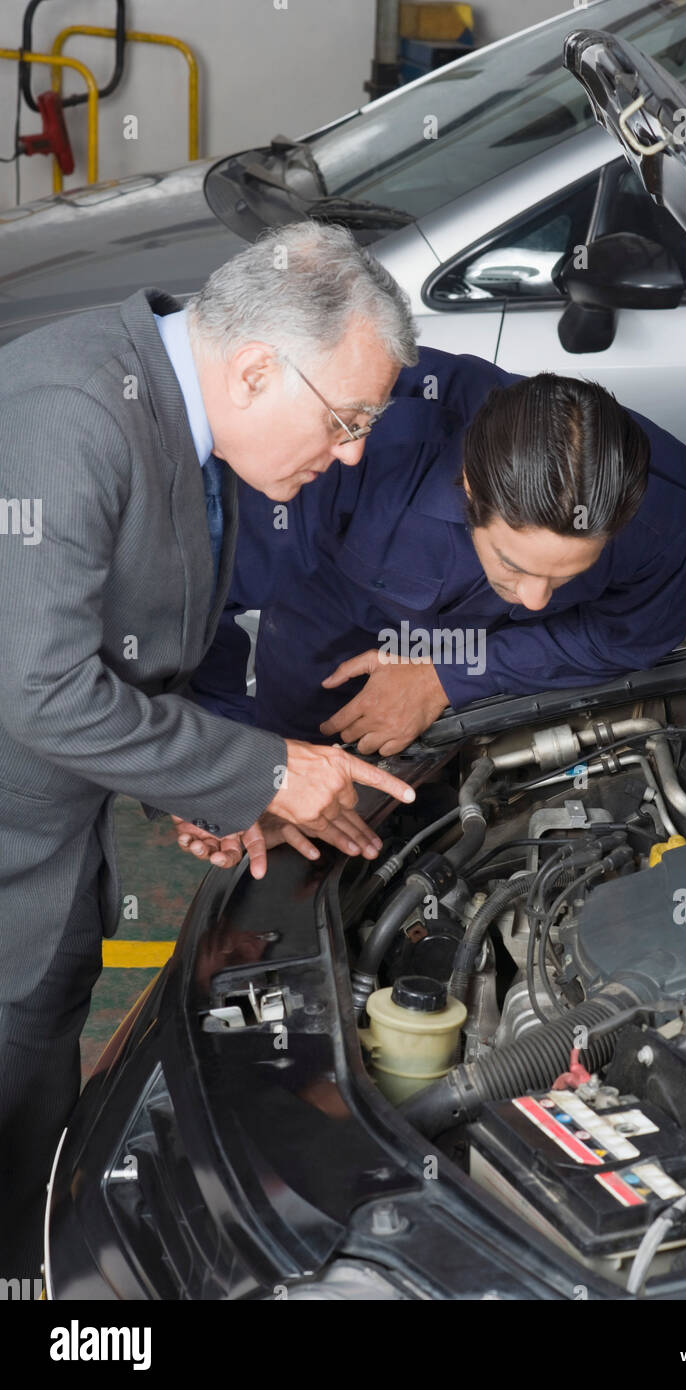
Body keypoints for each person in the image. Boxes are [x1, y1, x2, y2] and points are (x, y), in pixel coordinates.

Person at [0, 222, 420, 1273]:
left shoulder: (178, 416)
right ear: (254, 368)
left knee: (30, 1192)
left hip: (49, 870)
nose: (357, 448)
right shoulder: (73, 413)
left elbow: (130, 657)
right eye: (349, 417)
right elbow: (41, 690)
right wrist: (272, 769)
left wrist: (190, 789)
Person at [180, 349, 686, 869]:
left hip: (511, 686)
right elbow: (191, 612)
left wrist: (446, 675)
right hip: (321, 662)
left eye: (566, 575)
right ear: (470, 486)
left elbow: (629, 636)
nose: (536, 598)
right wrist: (238, 774)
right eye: (515, 565)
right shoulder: (349, 433)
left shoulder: (664, 507)